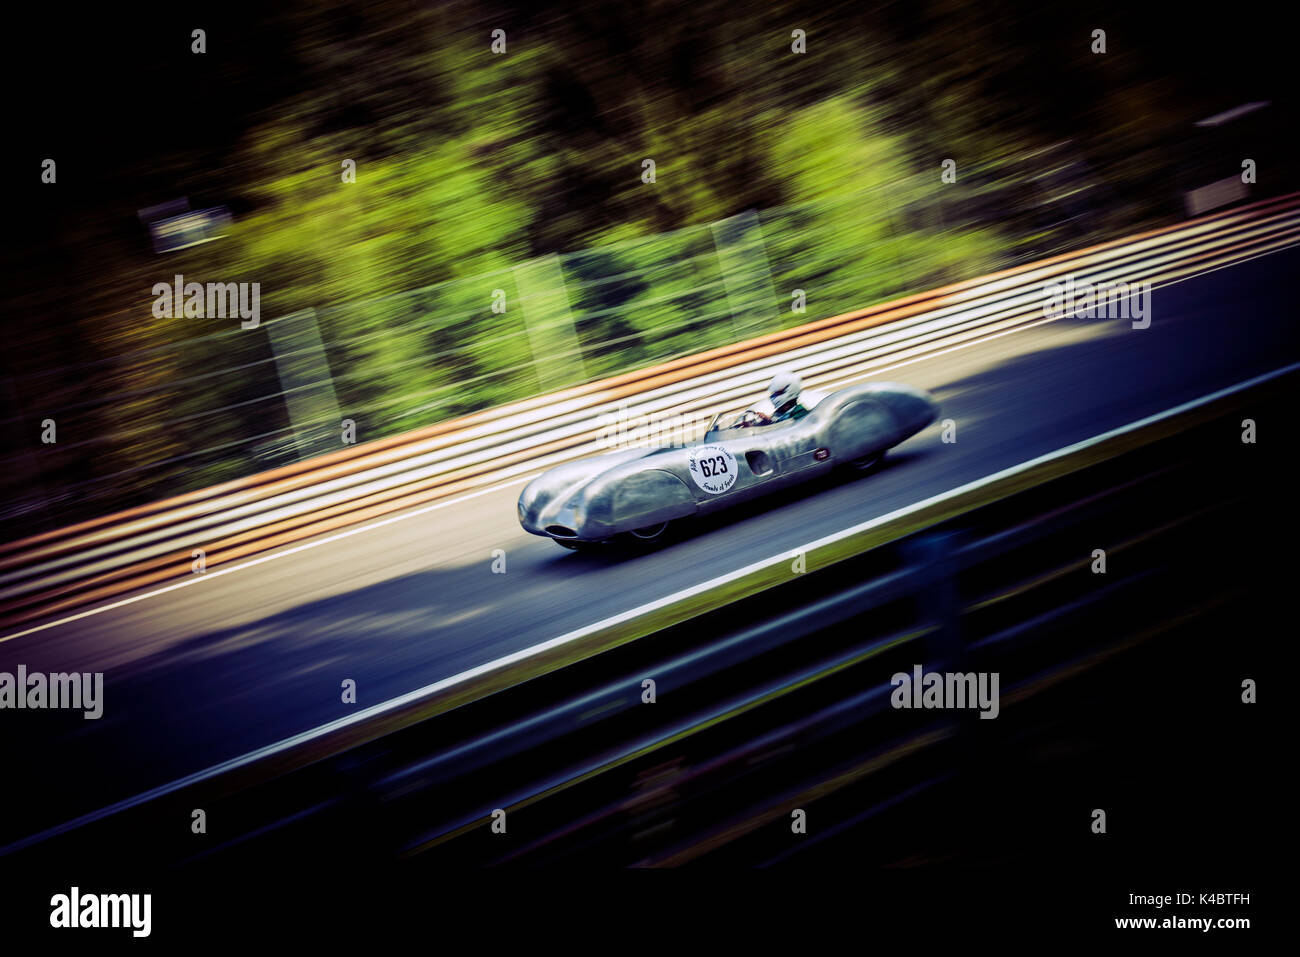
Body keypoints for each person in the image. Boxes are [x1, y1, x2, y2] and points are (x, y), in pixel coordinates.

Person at [755, 369, 823, 424]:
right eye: (774, 393)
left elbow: (789, 428)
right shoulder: (778, 414)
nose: (774, 397)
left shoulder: (801, 414)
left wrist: (770, 422)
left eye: (778, 393)